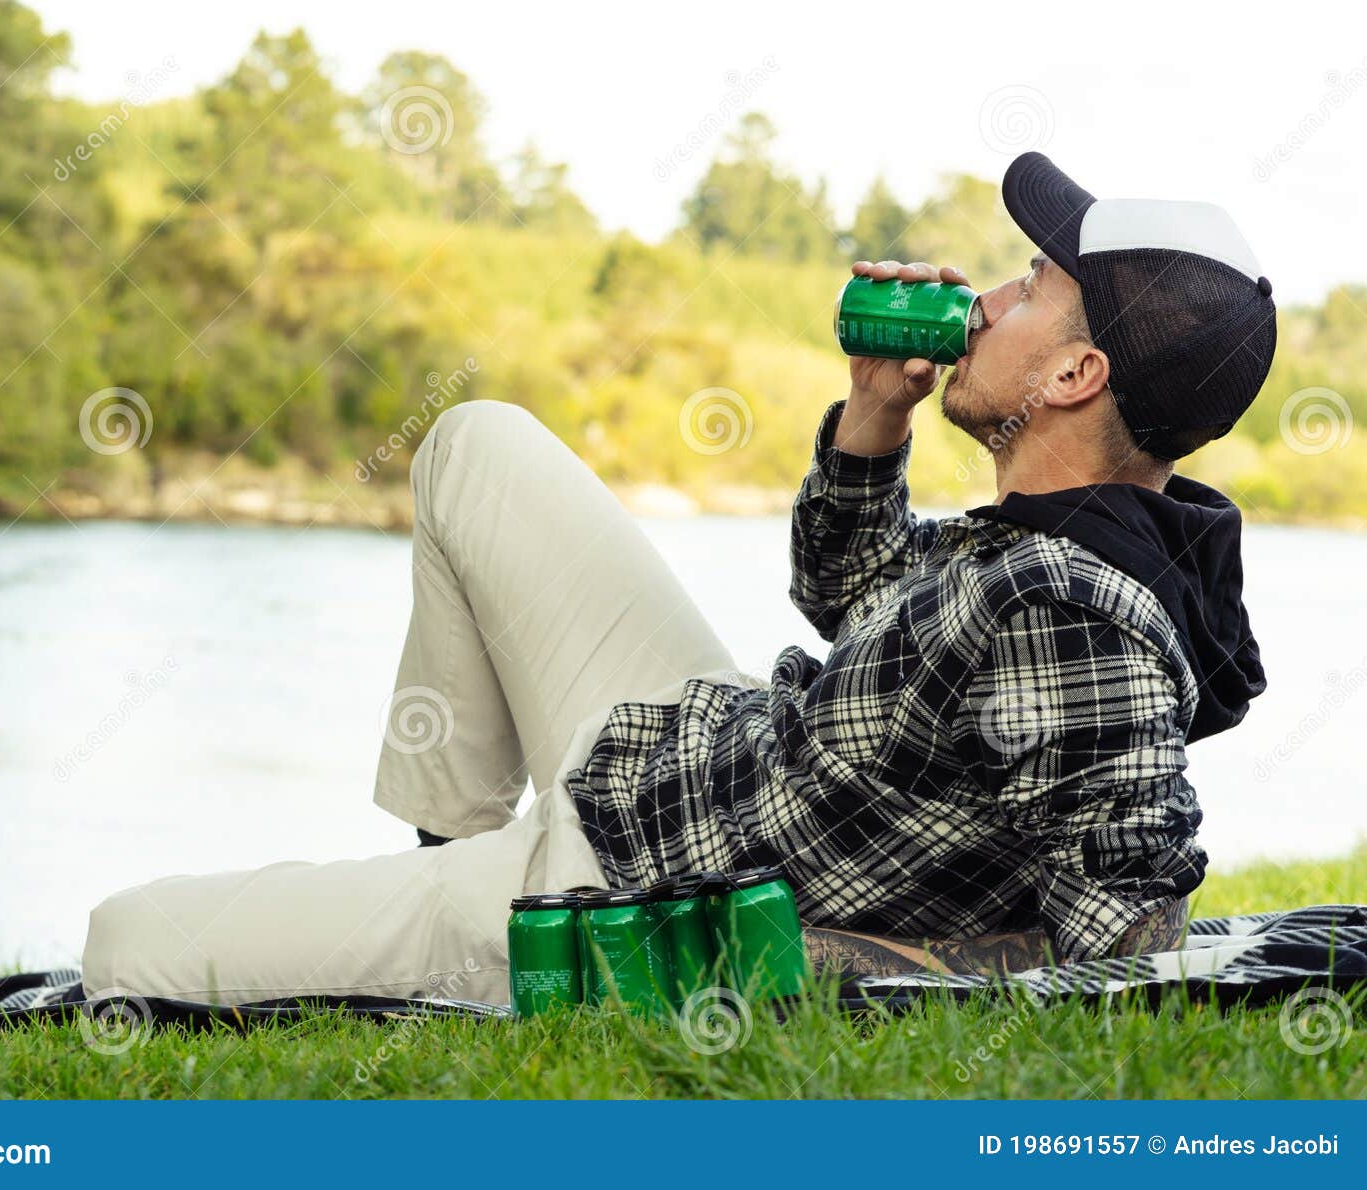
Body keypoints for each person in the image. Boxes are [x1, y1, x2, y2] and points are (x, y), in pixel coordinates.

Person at [82, 152, 1275, 1005]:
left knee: (124, 942)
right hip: (690, 747)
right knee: (477, 442)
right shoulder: (1036, 535)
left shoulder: (1075, 610)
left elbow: (1121, 957)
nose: (984, 299)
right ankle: (445, 863)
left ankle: (471, 922)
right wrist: (873, 412)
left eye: (1026, 287)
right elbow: (847, 593)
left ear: (1072, 372)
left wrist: (768, 953)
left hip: (629, 882)